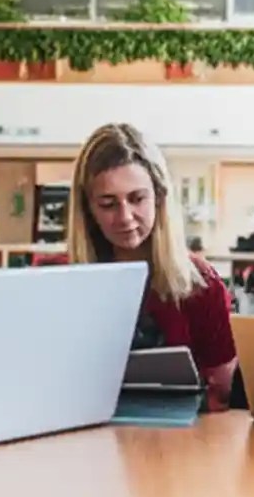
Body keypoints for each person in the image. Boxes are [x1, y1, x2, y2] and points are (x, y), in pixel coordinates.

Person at [65, 124, 237, 411]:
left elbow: (223, 391)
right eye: (108, 204)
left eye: (137, 199)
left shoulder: (201, 283)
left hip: (180, 442)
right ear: (88, 210)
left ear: (159, 197)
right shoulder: (61, 281)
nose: (125, 217)